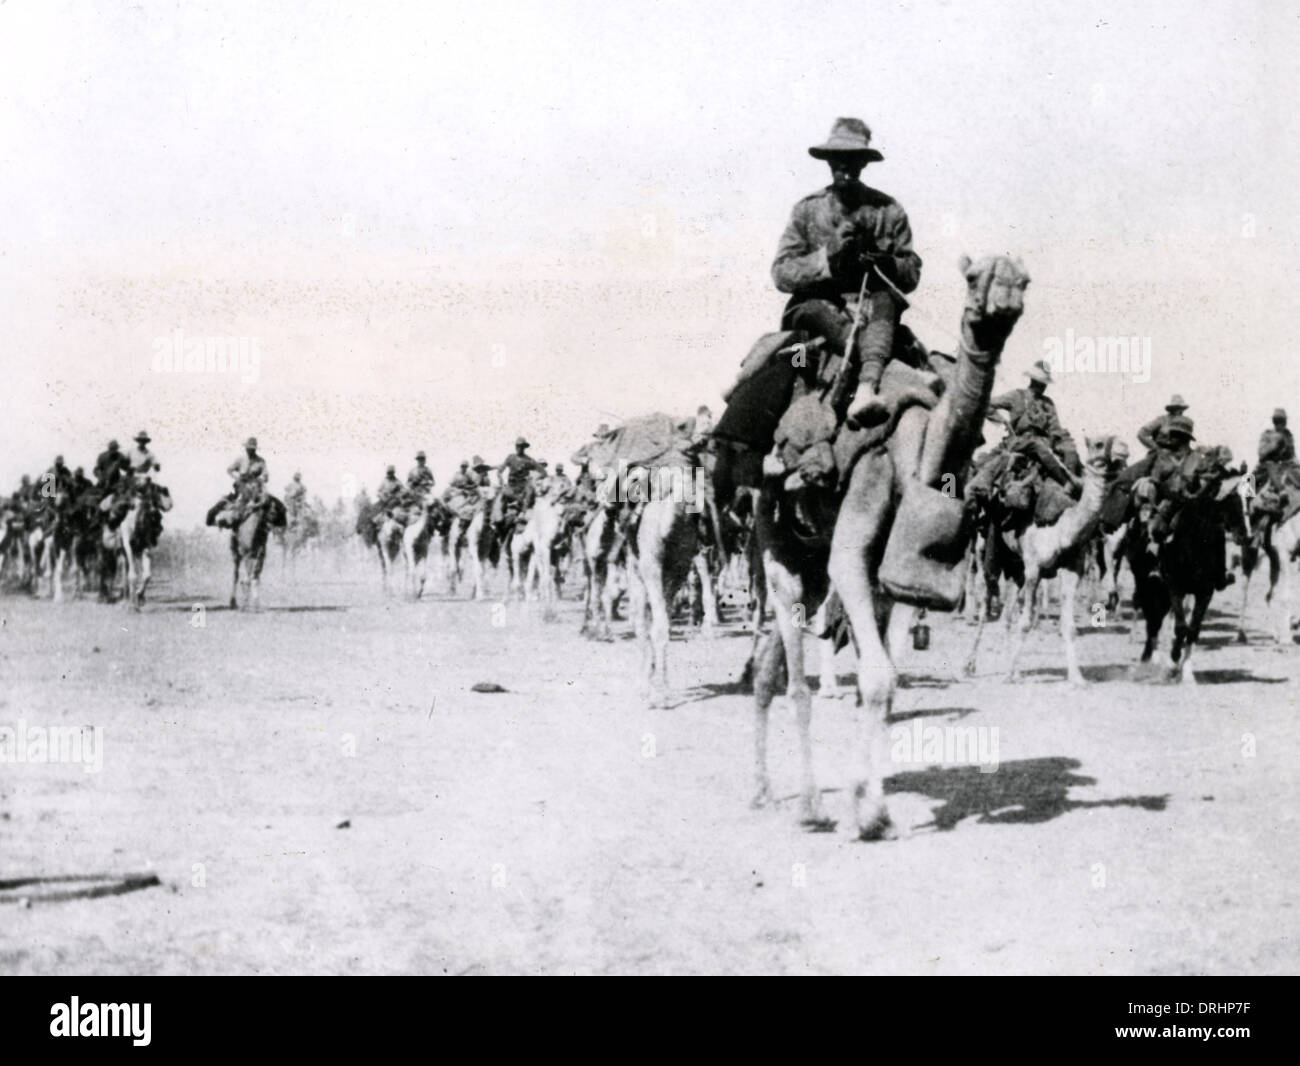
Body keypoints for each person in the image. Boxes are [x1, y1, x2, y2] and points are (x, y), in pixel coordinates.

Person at [772, 117, 923, 420]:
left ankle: (867, 387)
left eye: (852, 160)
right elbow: (781, 272)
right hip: (813, 314)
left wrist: (886, 263)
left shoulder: (889, 211)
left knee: (928, 366)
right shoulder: (807, 210)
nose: (844, 167)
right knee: (778, 374)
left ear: (864, 163)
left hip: (875, 311)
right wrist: (827, 256)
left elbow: (911, 272)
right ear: (828, 161)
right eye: (837, 160)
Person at [207, 437, 268, 527]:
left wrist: (261, 478)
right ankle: (219, 519)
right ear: (245, 448)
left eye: (252, 449)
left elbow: (266, 475)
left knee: (269, 505)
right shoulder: (240, 460)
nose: (249, 451)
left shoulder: (261, 461)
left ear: (255, 449)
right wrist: (236, 478)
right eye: (248, 449)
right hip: (241, 486)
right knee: (228, 502)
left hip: (255, 487)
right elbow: (229, 469)